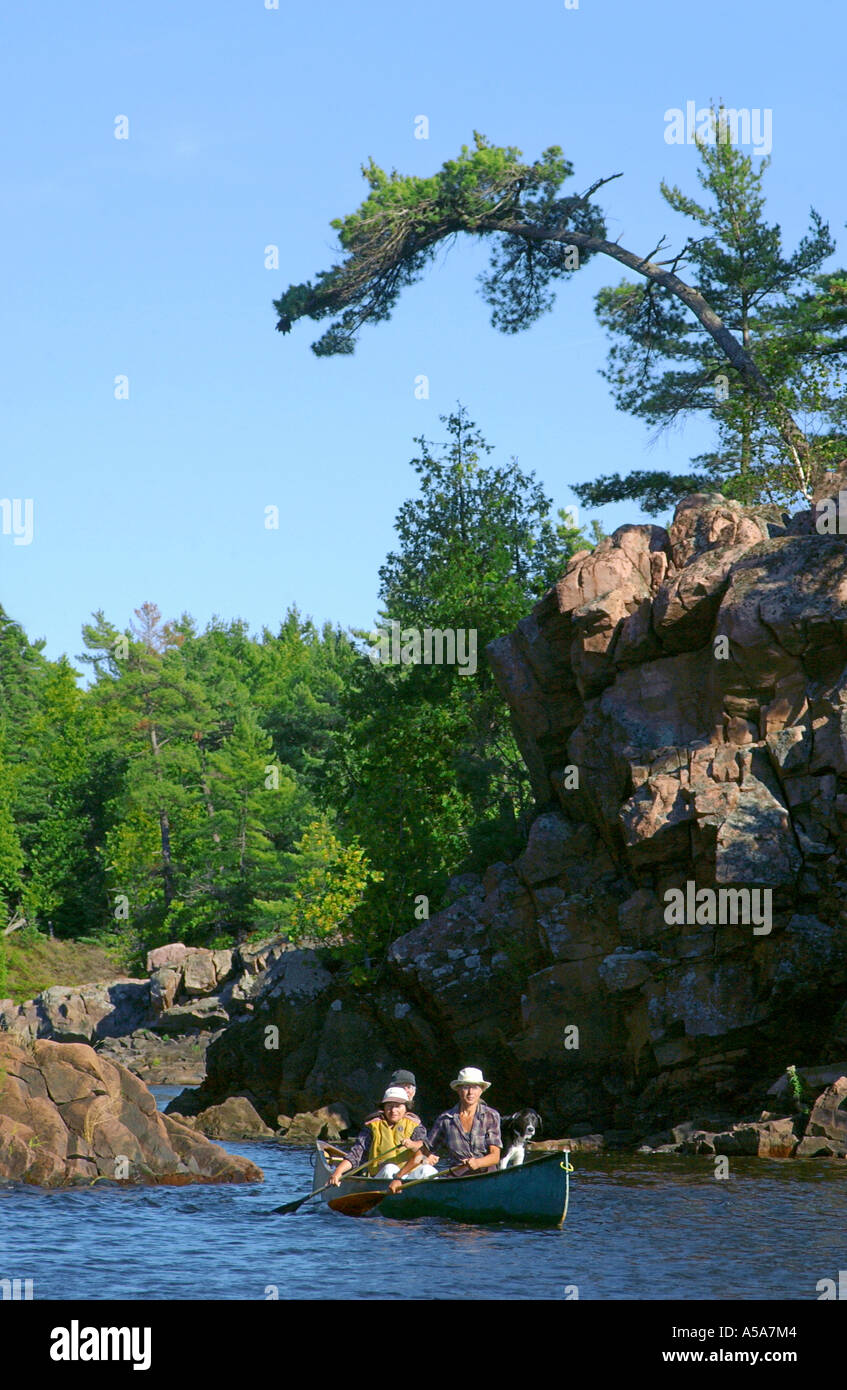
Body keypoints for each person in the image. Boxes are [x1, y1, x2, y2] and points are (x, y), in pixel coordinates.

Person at [328, 1087, 437, 1186]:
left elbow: (423, 1148)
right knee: (390, 1168)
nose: (393, 1110)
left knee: (428, 1170)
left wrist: (412, 1145)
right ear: (383, 1108)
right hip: (382, 1180)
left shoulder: (416, 1126)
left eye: (398, 1106)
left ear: (406, 1108)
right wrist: (338, 1172)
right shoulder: (371, 1127)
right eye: (389, 1106)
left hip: (408, 1178)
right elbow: (356, 1155)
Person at [420, 1066, 501, 1177]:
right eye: (466, 1087)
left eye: (475, 1087)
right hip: (457, 1177)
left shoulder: (491, 1115)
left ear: (481, 1090)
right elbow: (424, 1151)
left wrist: (477, 1163)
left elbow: (495, 1156)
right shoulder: (445, 1119)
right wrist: (399, 1177)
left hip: (486, 1175)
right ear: (458, 1090)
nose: (470, 1092)